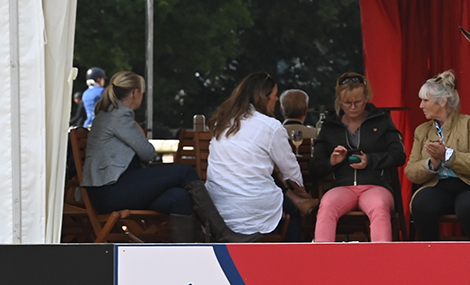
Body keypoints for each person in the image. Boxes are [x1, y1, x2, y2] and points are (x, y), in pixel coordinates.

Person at [80, 71, 226, 242]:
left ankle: (186, 255)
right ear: (135, 93)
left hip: (108, 192)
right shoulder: (120, 116)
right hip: (111, 192)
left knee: (179, 197)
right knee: (184, 172)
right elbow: (148, 153)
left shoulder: (109, 114)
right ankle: (222, 233)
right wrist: (139, 132)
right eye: (142, 92)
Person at [205, 72, 309, 242]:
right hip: (253, 205)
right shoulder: (271, 127)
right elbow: (291, 171)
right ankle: (292, 262)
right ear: (264, 98)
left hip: (217, 204)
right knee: (294, 214)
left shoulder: (221, 122)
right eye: (275, 96)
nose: (276, 100)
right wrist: (303, 191)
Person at [310, 72, 405, 242]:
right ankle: (322, 260)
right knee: (327, 206)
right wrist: (331, 161)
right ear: (340, 102)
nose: (353, 107)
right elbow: (315, 167)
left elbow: (399, 155)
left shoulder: (382, 121)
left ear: (367, 98)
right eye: (347, 103)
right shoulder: (329, 126)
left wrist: (371, 160)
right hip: (343, 186)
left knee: (379, 207)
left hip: (376, 185)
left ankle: (382, 260)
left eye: (358, 102)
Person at [406, 71, 470, 241]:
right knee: (422, 205)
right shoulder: (422, 131)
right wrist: (431, 164)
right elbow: (411, 172)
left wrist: (447, 155)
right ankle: (432, 258)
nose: (421, 106)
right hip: (437, 185)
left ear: (442, 101)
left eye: (425, 100)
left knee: (468, 208)